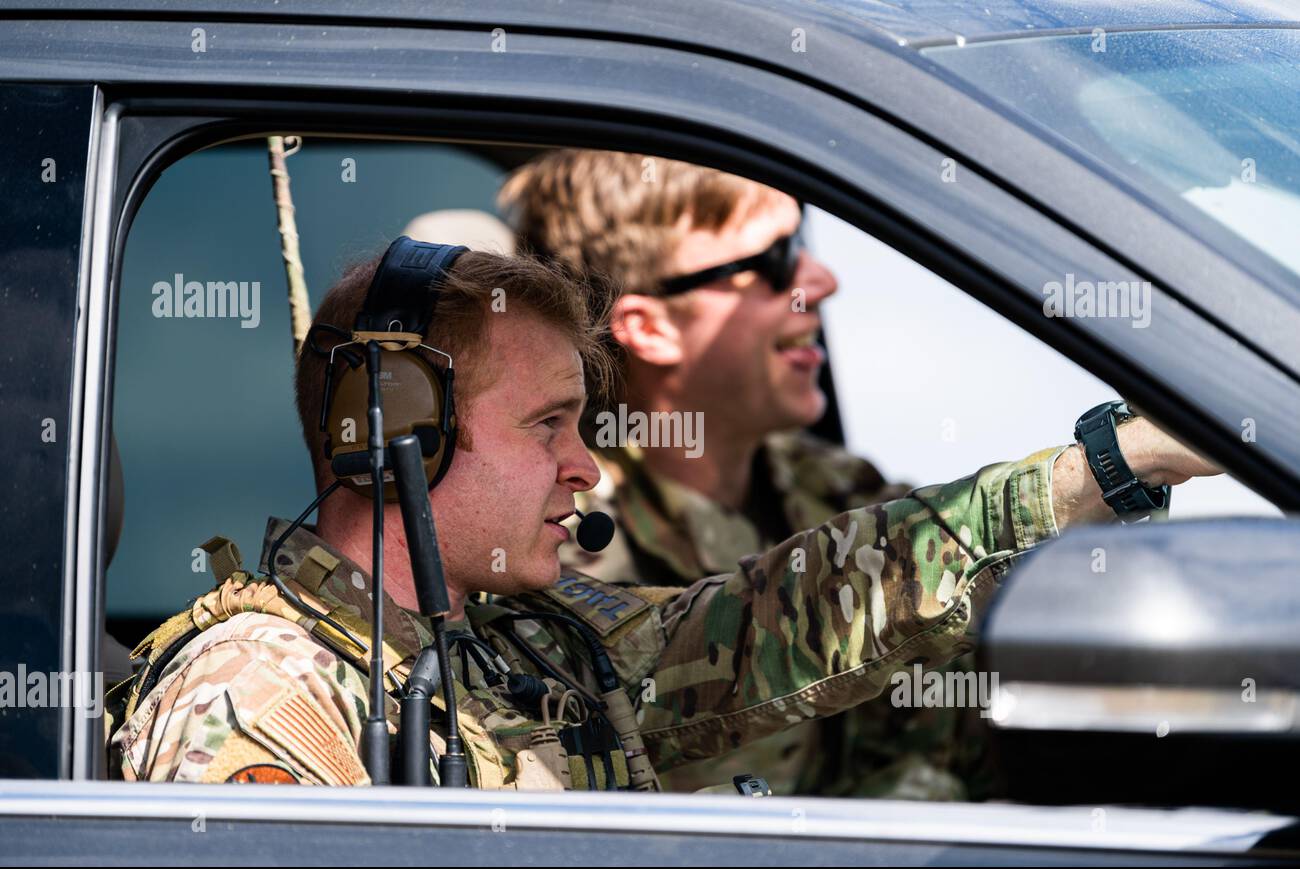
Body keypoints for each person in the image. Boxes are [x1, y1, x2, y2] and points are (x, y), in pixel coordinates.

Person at [108, 245, 1216, 789]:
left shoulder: (528, 641)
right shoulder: (255, 692)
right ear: (397, 430)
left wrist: (1104, 465)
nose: (585, 468)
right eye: (548, 423)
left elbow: (797, 609)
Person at [498, 149, 1200, 798]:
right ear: (652, 328)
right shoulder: (555, 551)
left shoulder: (829, 488)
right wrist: (1115, 461)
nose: (821, 282)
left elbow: (983, 687)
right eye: (775, 262)